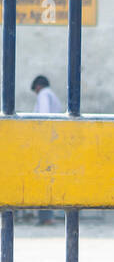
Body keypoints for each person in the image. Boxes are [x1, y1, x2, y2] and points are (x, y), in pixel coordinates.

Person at [31, 76, 62, 225]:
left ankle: (46, 217)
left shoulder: (44, 95)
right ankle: (47, 215)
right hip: (53, 141)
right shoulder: (52, 95)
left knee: (42, 178)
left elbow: (43, 116)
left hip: (45, 142)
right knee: (48, 177)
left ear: (38, 87)